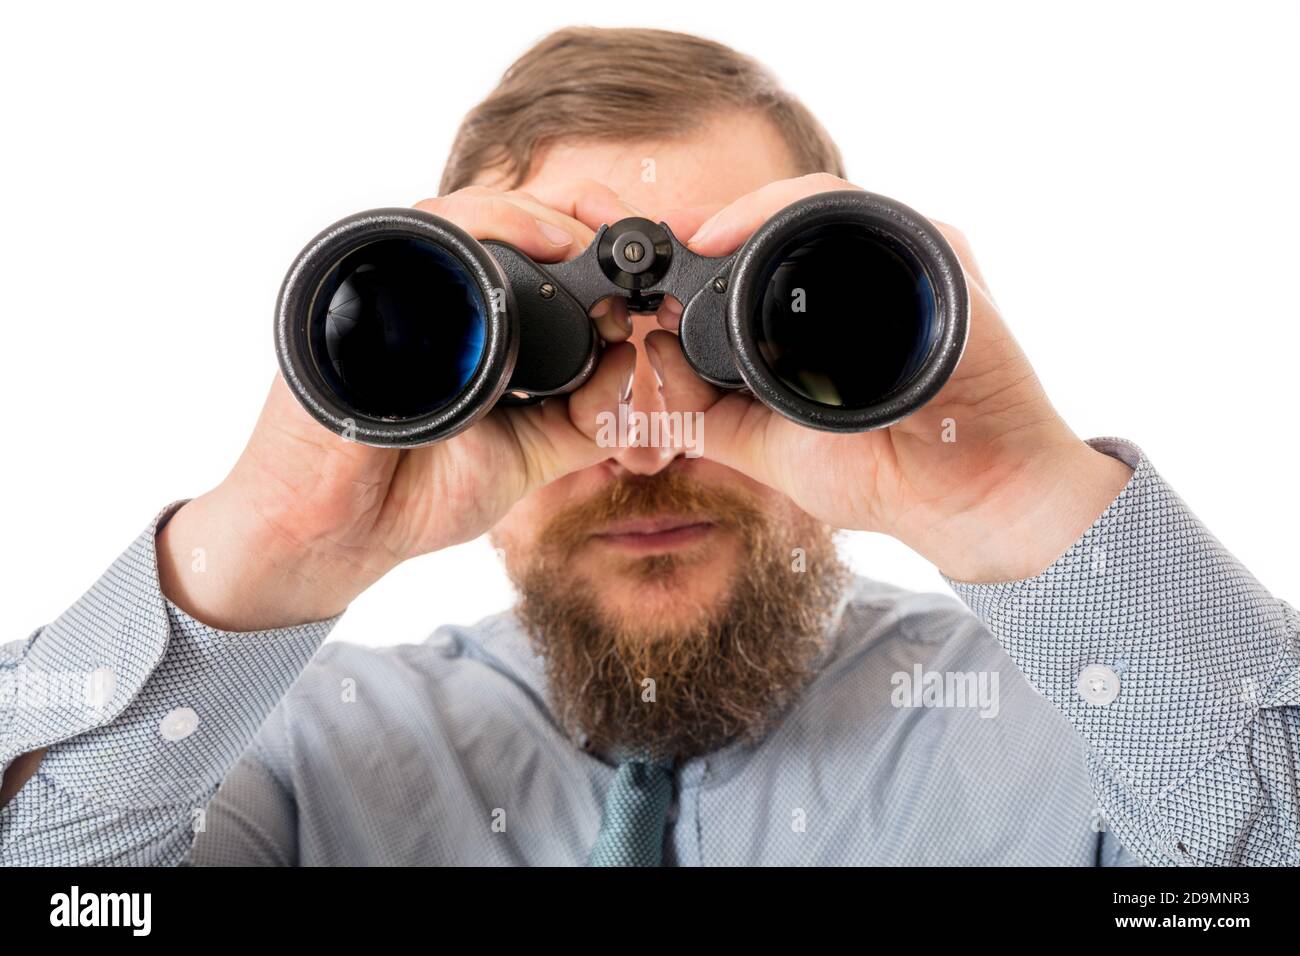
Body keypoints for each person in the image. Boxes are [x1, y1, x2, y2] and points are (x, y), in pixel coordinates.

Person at [1, 26, 1295, 867]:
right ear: (450, 374)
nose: (642, 435)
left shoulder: (1088, 739)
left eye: (733, 335)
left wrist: (1024, 501)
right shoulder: (291, 765)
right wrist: (268, 539)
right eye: (548, 348)